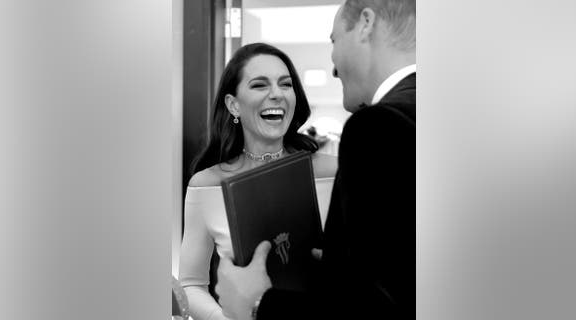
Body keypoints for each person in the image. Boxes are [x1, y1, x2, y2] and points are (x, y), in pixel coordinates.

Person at [215, 1, 416, 319]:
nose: (333, 67)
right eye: (258, 84)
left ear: (366, 24)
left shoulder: (378, 126)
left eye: (334, 41)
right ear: (233, 104)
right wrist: (343, 267)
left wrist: (256, 304)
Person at [178, 43, 338, 320]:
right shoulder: (206, 185)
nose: (277, 94)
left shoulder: (335, 173)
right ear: (233, 105)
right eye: (260, 85)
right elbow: (191, 284)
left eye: (285, 85)